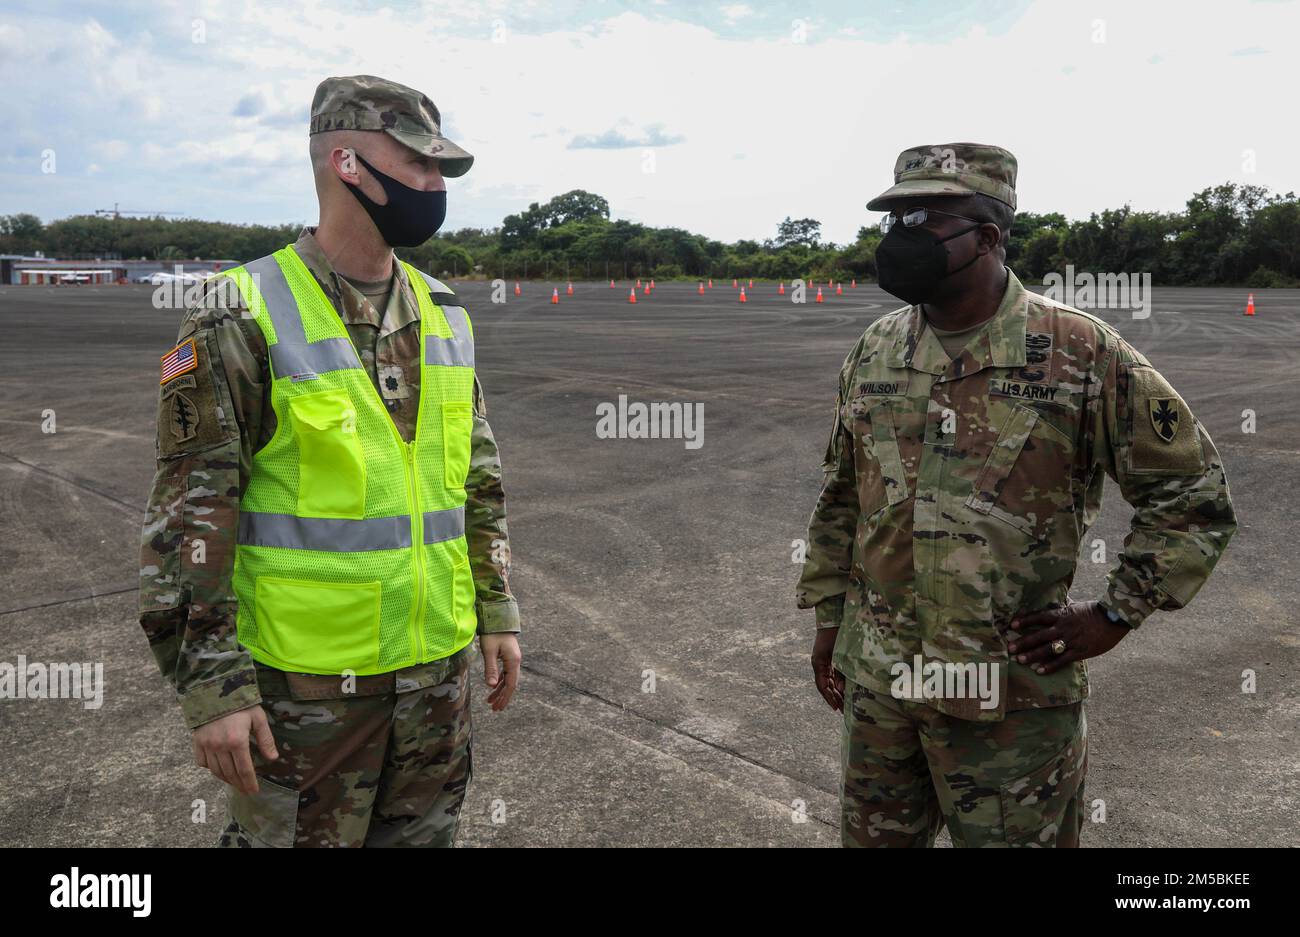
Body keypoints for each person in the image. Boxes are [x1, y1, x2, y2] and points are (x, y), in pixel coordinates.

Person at [797, 142, 1237, 847]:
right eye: (895, 218)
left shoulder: (1080, 352)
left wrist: (1113, 614)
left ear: (989, 236)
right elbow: (844, 495)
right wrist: (829, 618)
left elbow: (1193, 495)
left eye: (925, 220)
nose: (900, 237)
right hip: (881, 688)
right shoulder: (876, 349)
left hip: (1009, 704)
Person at [137, 75, 521, 847]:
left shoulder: (444, 312)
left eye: (440, 169)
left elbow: (476, 482)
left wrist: (496, 610)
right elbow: (192, 516)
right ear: (347, 163)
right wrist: (213, 687)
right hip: (304, 698)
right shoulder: (238, 310)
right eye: (417, 163)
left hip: (434, 684)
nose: (433, 185)